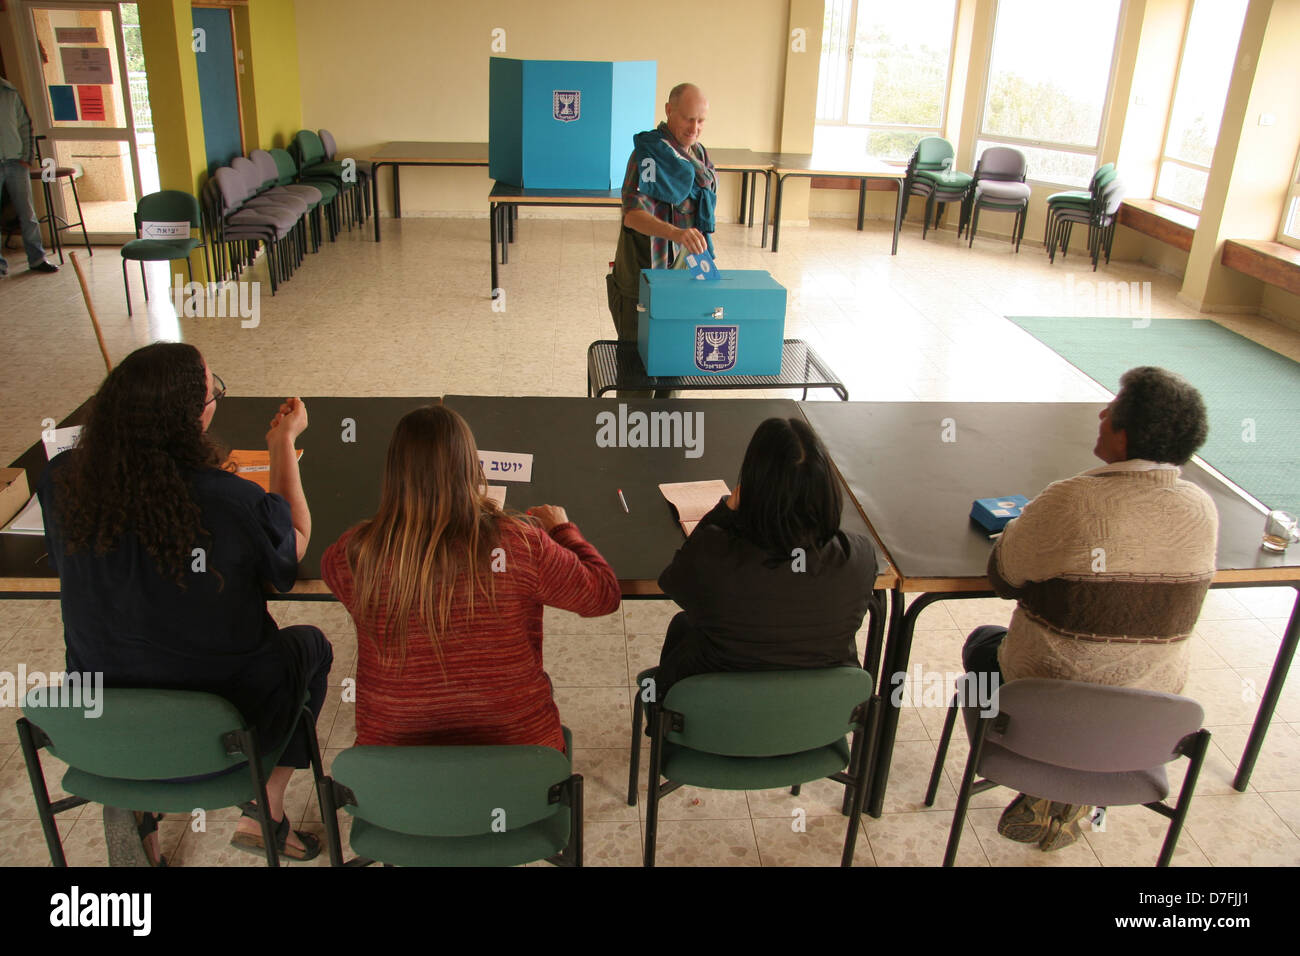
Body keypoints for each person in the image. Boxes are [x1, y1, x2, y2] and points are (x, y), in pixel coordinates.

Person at [36, 343, 332, 863]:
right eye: (212, 392)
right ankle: (264, 809)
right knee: (312, 647)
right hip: (224, 723)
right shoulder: (229, 500)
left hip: (104, 713)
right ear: (192, 417)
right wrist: (283, 441)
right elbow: (295, 547)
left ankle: (131, 809)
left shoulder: (61, 480)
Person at [964, 365, 1218, 852]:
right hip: (1143, 723)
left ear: (1124, 436)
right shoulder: (1202, 509)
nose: (1101, 414)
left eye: (1112, 410)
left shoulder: (1073, 499)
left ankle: (1046, 786)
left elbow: (1004, 577)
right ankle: (1072, 799)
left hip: (1043, 711)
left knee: (982, 645)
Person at [321, 405, 620, 754]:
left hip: (396, 772)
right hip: (519, 759)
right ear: (470, 470)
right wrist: (563, 531)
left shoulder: (354, 554)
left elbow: (332, 572)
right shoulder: (518, 544)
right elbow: (603, 594)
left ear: (394, 475)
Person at [653, 417, 877, 696]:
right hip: (816, 720)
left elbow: (673, 581)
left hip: (718, 721)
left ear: (752, 489)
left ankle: (664, 727)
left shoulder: (713, 557)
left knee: (684, 627)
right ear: (826, 489)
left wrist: (723, 514)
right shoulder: (859, 557)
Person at [607, 83, 716, 399]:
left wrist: (705, 269)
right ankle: (629, 443)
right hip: (641, 276)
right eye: (687, 119)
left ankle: (667, 442)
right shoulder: (648, 154)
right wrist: (675, 233)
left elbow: (701, 222)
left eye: (701, 121)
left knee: (674, 366)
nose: (694, 128)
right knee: (636, 375)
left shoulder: (700, 156)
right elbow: (632, 214)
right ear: (669, 111)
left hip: (682, 278)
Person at [1, 77, 58, 276]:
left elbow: (25, 125)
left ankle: (37, 258)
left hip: (16, 162)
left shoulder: (9, 91)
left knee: (27, 214)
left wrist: (27, 155)